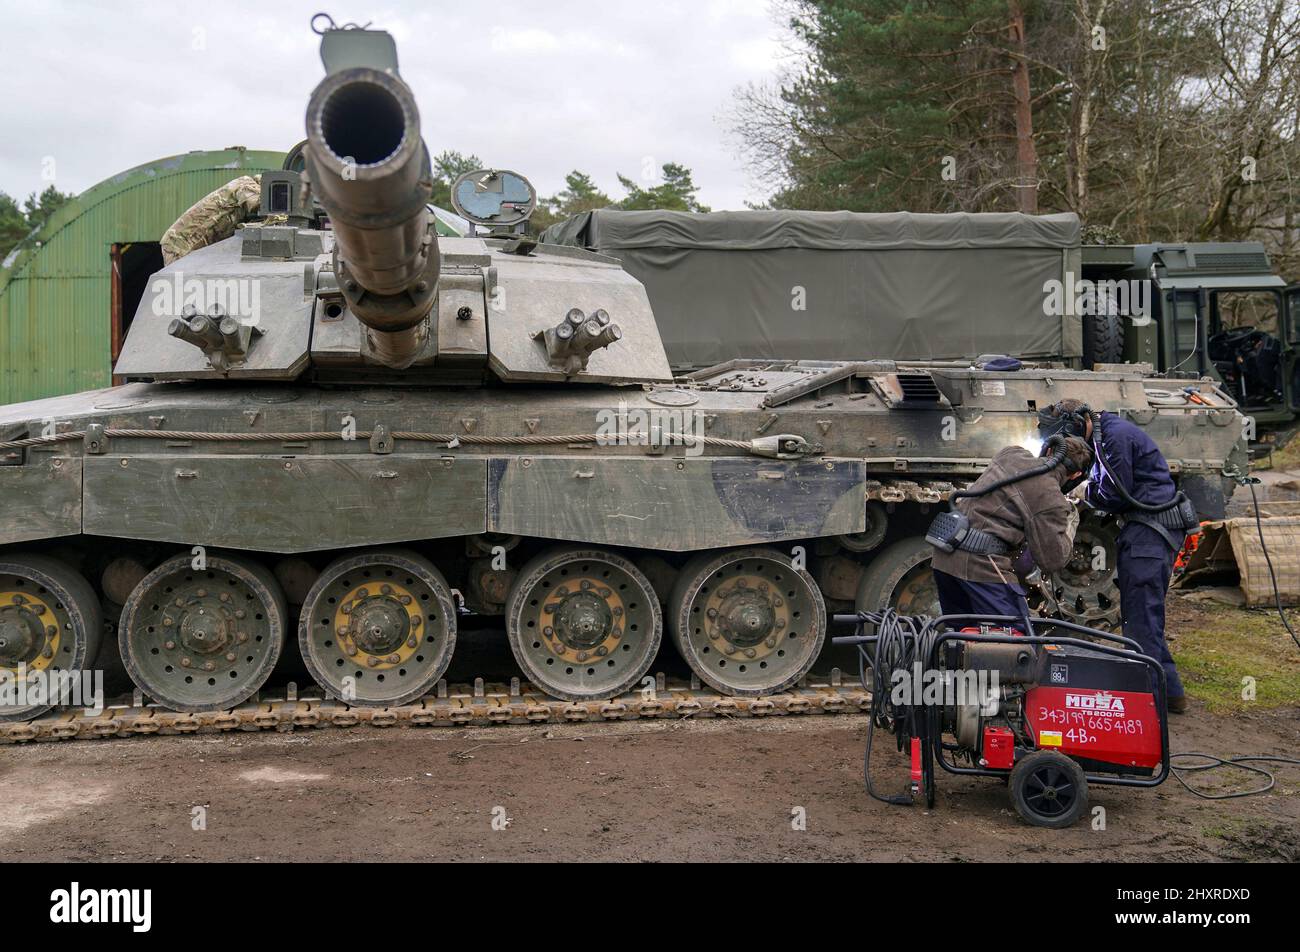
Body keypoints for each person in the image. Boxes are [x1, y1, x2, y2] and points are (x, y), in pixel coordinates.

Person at [1038, 399, 1192, 713]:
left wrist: (1084, 493)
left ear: (1081, 423)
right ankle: (1170, 692)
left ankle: (1150, 700)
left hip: (1152, 531)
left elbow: (1115, 492)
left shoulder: (1114, 438)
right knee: (1142, 616)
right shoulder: (1106, 435)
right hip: (1144, 529)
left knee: (1140, 617)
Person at [929, 437, 1093, 627]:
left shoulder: (1010, 454)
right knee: (1013, 643)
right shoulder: (1052, 499)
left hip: (944, 556)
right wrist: (1070, 520)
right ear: (1076, 475)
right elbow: (1052, 560)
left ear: (1049, 451)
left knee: (963, 635)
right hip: (981, 565)